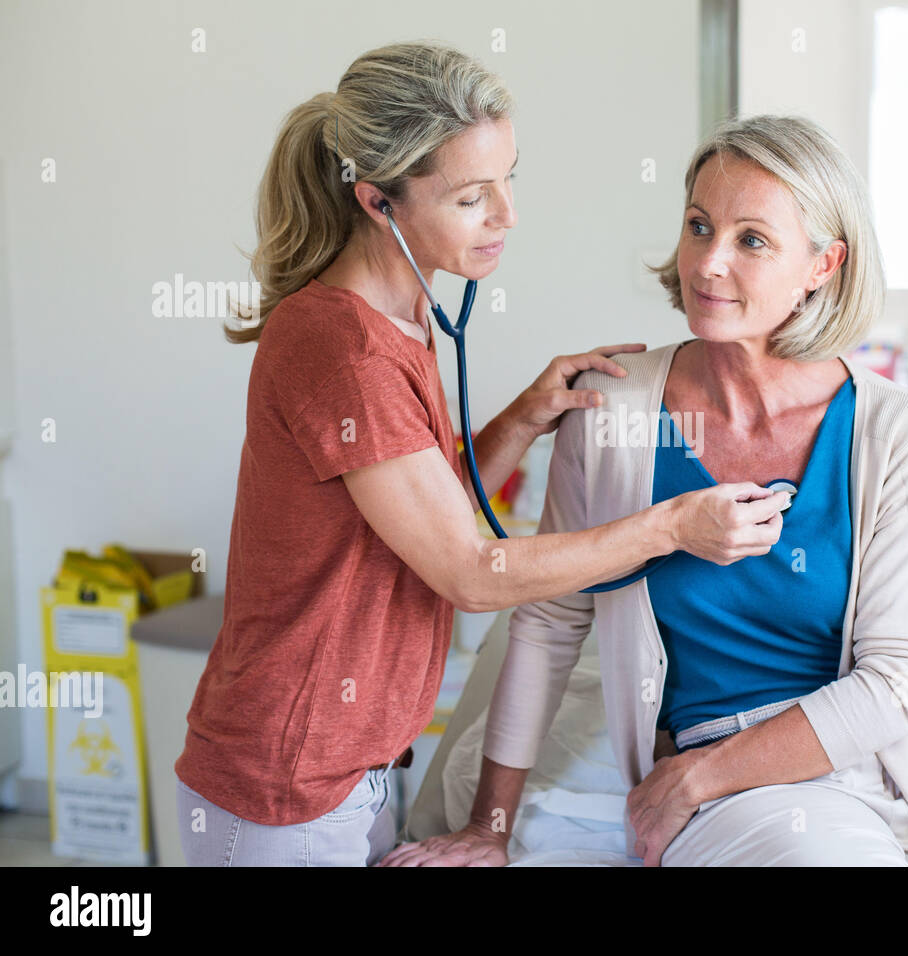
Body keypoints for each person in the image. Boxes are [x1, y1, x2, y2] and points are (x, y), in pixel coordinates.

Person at [173, 41, 789, 867]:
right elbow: (466, 570)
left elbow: (418, 506)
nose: (507, 214)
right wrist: (671, 527)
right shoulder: (342, 349)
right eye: (471, 197)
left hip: (352, 768)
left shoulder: (402, 315)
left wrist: (524, 417)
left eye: (509, 179)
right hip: (285, 785)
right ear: (377, 202)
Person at [382, 114, 908, 867]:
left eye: (752, 240)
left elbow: (897, 679)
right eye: (698, 226)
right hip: (686, 769)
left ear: (823, 265)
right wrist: (486, 830)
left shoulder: (895, 432)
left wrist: (699, 779)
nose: (708, 262)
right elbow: (550, 624)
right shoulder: (612, 406)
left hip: (819, 770)